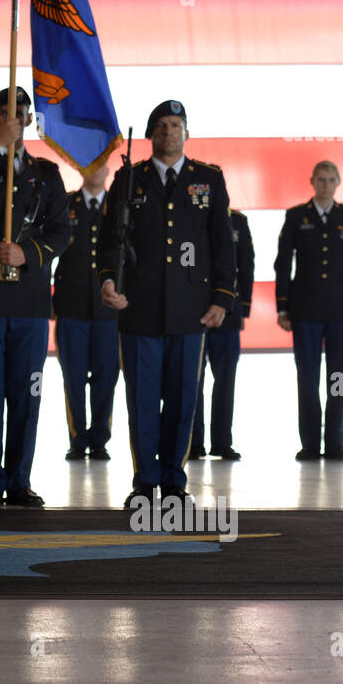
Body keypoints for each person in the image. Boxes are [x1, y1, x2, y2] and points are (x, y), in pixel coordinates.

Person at [99, 100, 235, 507]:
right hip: (138, 307)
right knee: (141, 399)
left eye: (176, 125)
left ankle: (175, 481)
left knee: (182, 398)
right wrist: (107, 280)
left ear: (186, 133)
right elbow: (108, 241)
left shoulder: (208, 179)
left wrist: (222, 299)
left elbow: (222, 244)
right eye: (160, 126)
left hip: (191, 309)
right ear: (150, 135)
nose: (168, 132)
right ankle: (145, 481)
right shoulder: (128, 178)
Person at [0, 87, 71, 508]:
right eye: (7, 113)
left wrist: (26, 253)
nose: (16, 119)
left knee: (26, 393)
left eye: (22, 114)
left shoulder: (46, 174)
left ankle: (19, 479)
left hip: (28, 303)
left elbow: (61, 232)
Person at [274, 162, 343, 461]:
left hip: (342, 311)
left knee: (338, 377)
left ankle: (335, 441)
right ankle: (311, 444)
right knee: (308, 378)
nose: (326, 185)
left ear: (338, 182)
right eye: (321, 180)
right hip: (306, 310)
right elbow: (282, 264)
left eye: (331, 180)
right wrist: (282, 306)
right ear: (312, 181)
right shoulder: (296, 216)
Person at [54, 166, 119, 462]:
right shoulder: (66, 204)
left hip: (108, 310)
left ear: (107, 168)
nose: (95, 170)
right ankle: (77, 437)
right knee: (74, 377)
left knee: (106, 377)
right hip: (71, 306)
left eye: (100, 163)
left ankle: (100, 437)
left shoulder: (118, 207)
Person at [191, 207, 254, 460]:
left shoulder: (238, 221)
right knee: (193, 381)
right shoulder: (190, 216)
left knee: (225, 381)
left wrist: (244, 308)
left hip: (228, 312)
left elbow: (246, 264)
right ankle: (193, 442)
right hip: (194, 312)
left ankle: (221, 442)